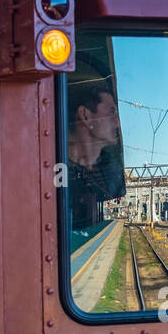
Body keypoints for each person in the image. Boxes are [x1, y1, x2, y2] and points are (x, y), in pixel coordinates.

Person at [66, 74, 124, 229]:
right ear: (85, 115)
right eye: (112, 112)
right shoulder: (54, 163)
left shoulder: (110, 168)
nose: (117, 122)